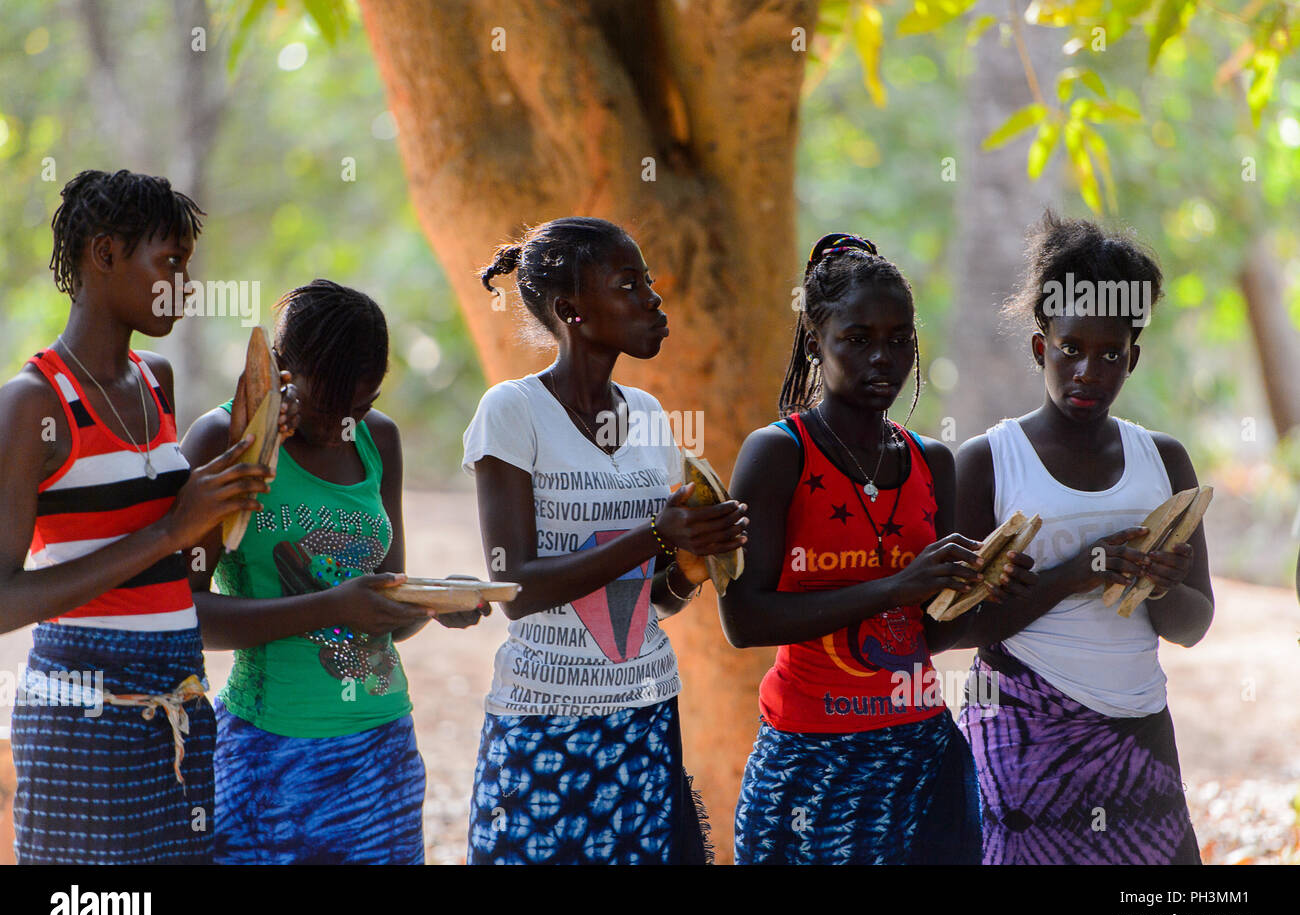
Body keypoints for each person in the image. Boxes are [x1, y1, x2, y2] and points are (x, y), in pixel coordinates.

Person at [0, 169, 283, 863]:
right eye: (171, 263)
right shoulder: (33, 404)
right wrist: (169, 529)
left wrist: (244, 470)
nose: (185, 285)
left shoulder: (156, 380)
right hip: (83, 724)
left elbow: (175, 558)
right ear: (104, 255)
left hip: (179, 712)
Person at [720, 233, 1029, 864]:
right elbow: (743, 619)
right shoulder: (779, 453)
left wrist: (984, 586)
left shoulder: (931, 461)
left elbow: (932, 634)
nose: (882, 358)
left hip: (922, 755)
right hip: (809, 762)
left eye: (899, 339)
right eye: (858, 339)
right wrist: (896, 586)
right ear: (815, 342)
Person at [463, 217, 747, 864]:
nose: (653, 300)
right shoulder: (512, 413)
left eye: (648, 283)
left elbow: (651, 602)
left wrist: (695, 563)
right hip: (544, 719)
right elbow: (517, 589)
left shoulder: (648, 416)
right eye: (629, 285)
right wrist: (655, 533)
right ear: (571, 310)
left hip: (643, 712)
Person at [183, 279, 485, 864]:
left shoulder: (380, 442)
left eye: (363, 404)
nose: (345, 423)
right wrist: (331, 606)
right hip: (267, 754)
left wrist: (433, 602)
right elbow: (187, 616)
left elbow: (382, 611)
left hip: (379, 747)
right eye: (331, 406)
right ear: (280, 369)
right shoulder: (228, 439)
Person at [953, 211, 1213, 864]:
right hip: (1023, 740)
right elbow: (949, 629)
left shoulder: (1165, 462)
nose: (1088, 371)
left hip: (1138, 736)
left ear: (1135, 355)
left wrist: (1155, 583)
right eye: (1071, 348)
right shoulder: (988, 461)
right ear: (1042, 347)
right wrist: (1079, 571)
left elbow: (1193, 624)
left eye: (1110, 353)